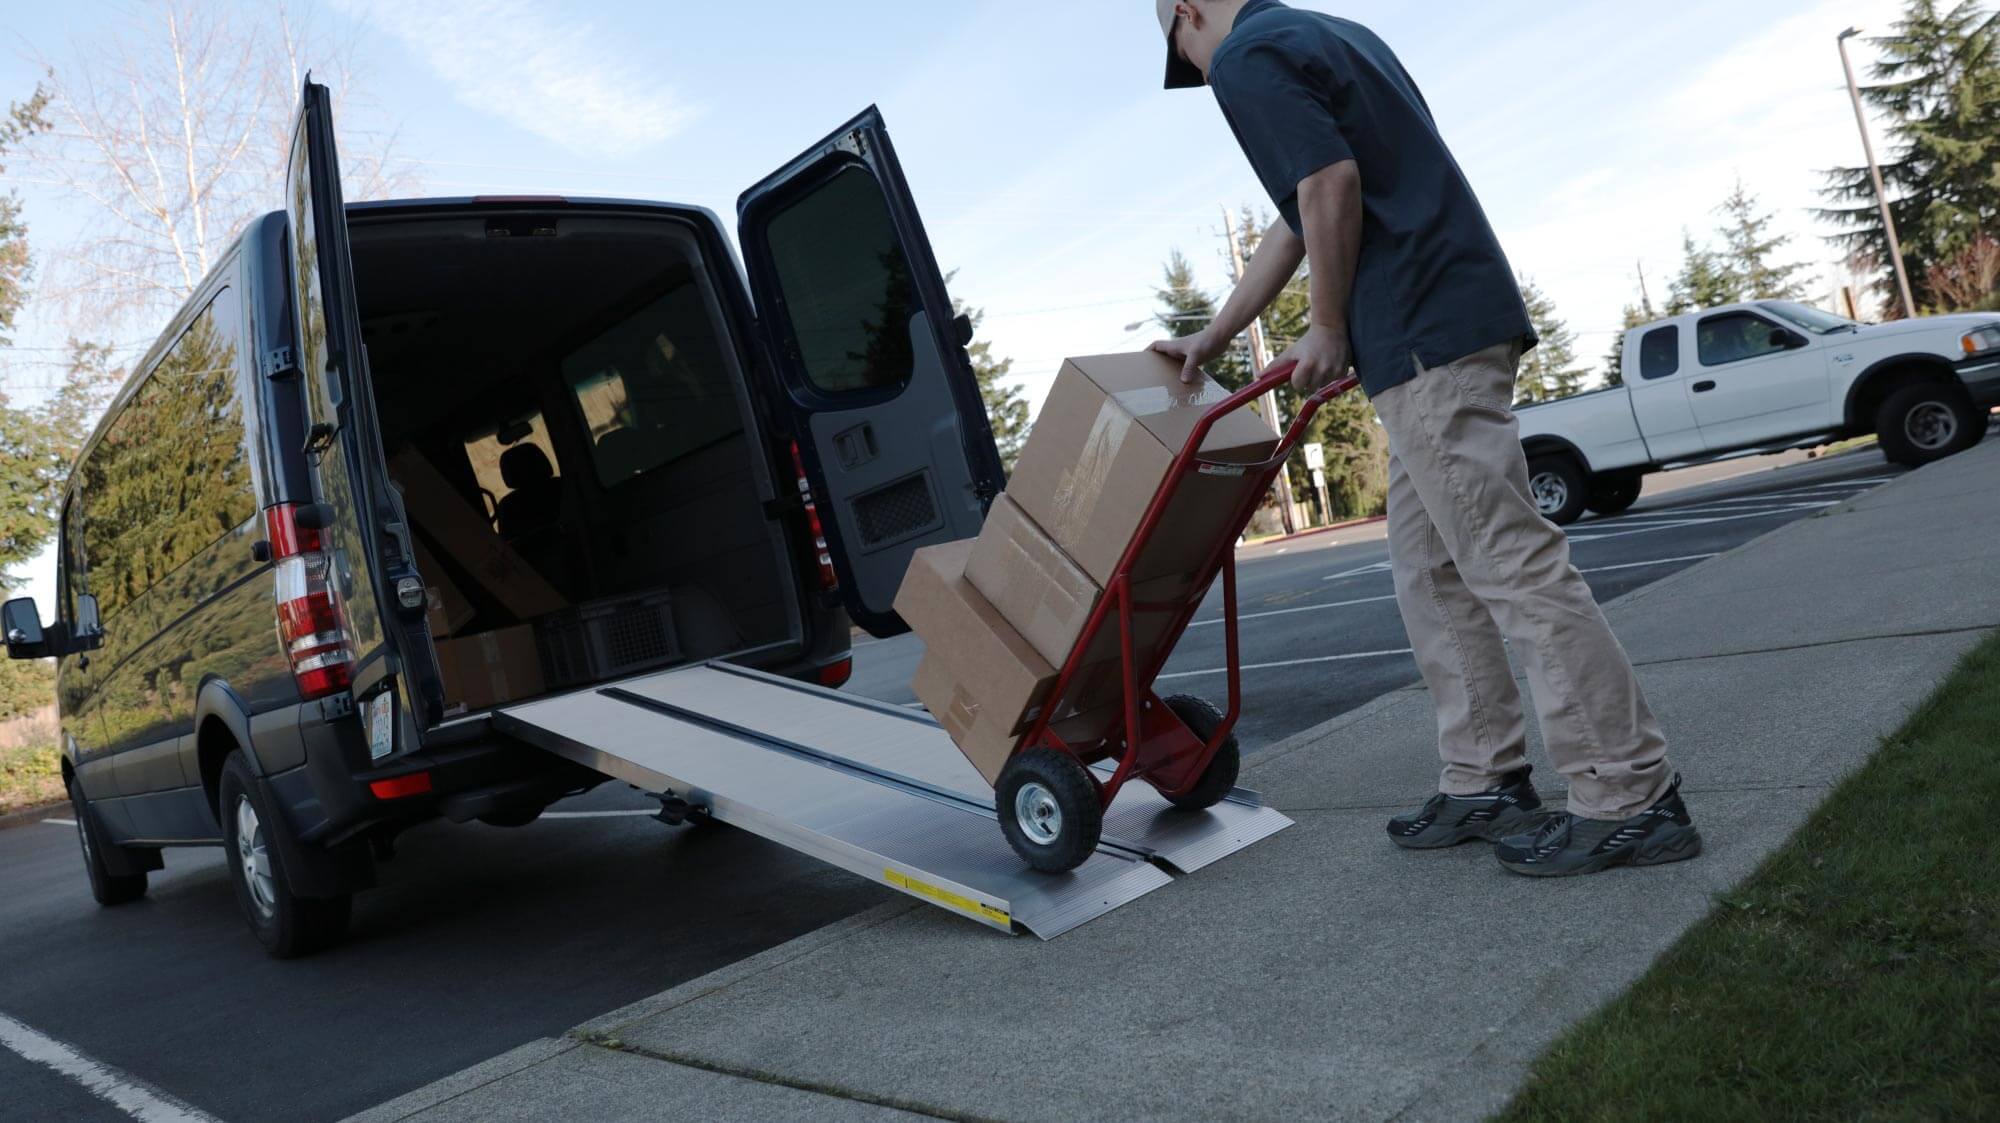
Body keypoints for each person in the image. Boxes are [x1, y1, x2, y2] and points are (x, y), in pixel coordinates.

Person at [1147, 0, 1700, 876]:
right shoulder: (1335, 34)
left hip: (1422, 333)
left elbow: (1328, 184)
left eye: (1185, 51)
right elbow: (1302, 213)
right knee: (1431, 567)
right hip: (1440, 322)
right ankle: (1486, 776)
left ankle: (1629, 794)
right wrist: (1213, 338)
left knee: (1509, 562)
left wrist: (1327, 324)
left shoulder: (1248, 54)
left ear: (1186, 12)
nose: (1200, 68)